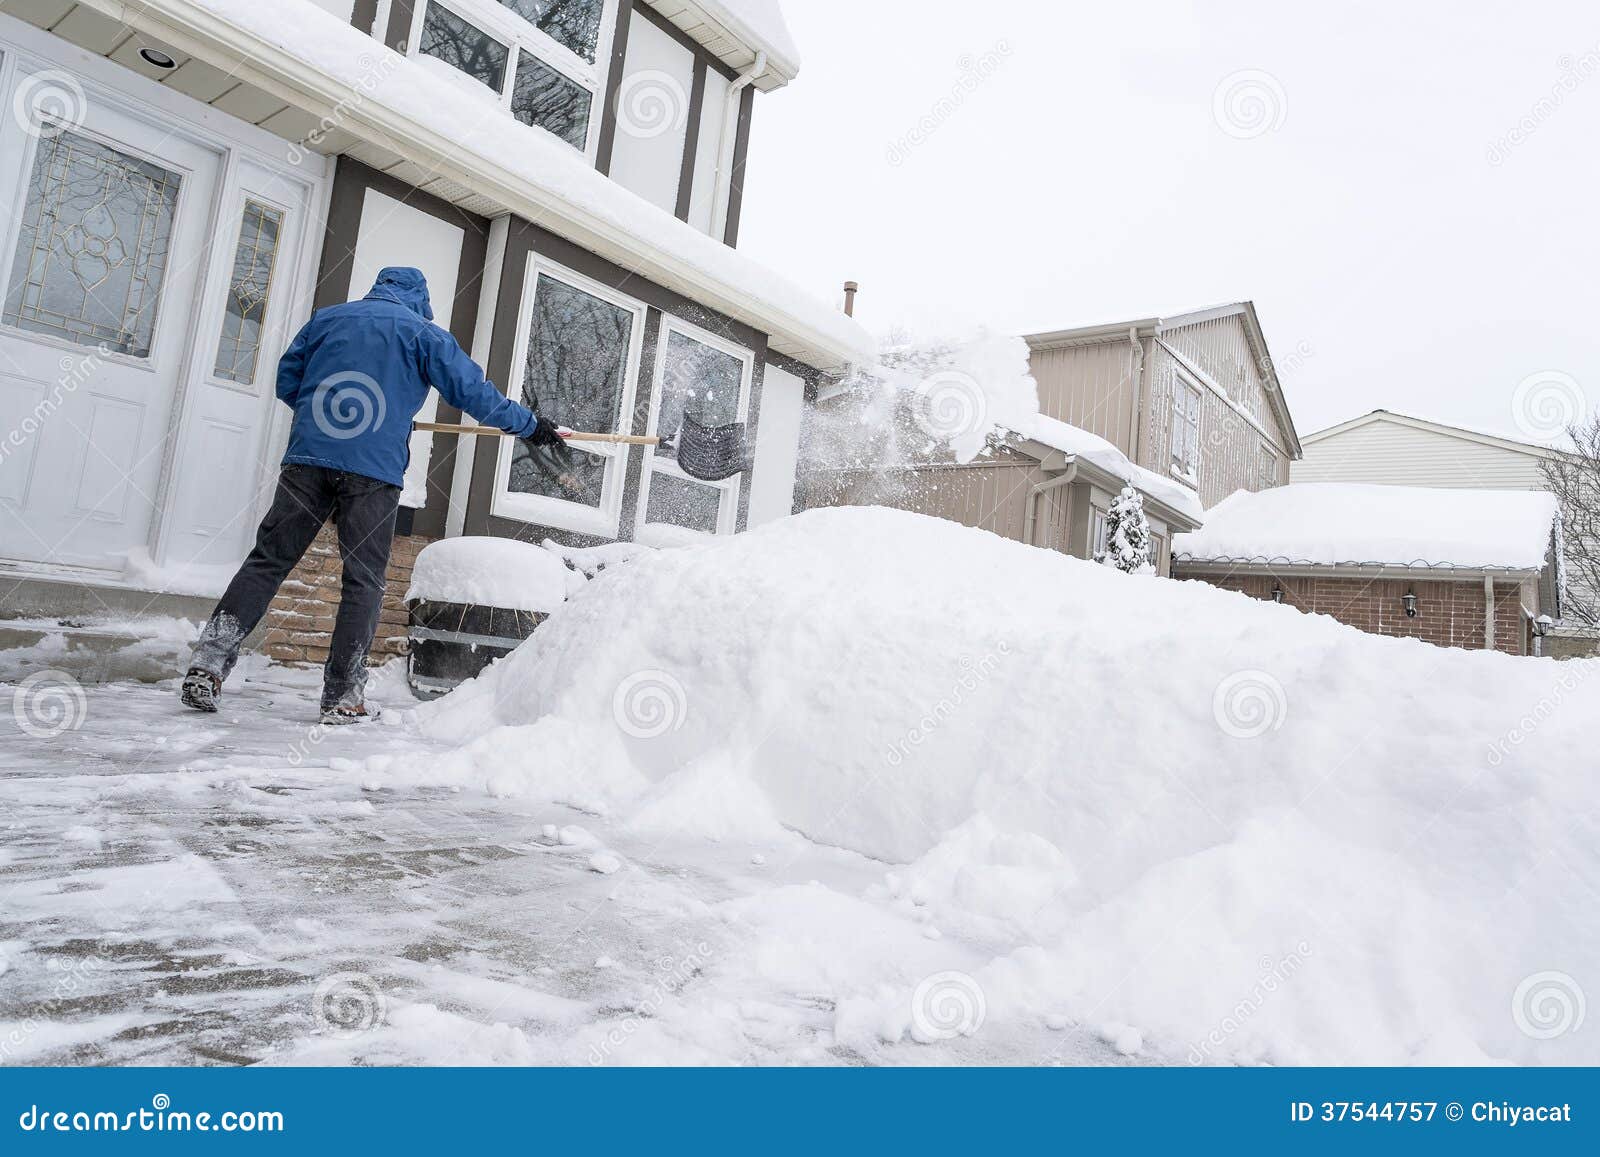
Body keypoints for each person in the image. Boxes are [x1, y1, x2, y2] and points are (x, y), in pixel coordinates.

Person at [181, 267, 564, 723]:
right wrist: (532, 427)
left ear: (377, 289)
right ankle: (342, 696)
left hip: (308, 459)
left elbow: (289, 382)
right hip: (374, 471)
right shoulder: (425, 335)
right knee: (363, 581)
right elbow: (475, 395)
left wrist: (332, 419)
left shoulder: (328, 319)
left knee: (268, 560)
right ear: (420, 301)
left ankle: (207, 663)